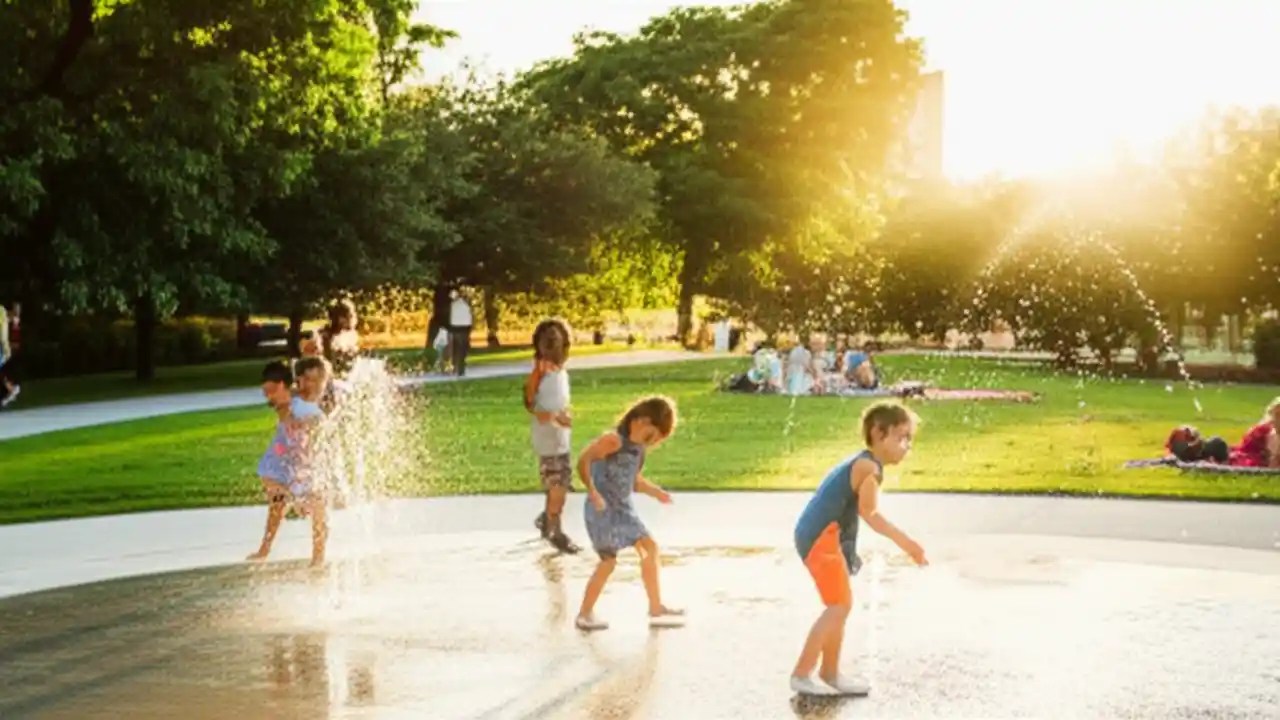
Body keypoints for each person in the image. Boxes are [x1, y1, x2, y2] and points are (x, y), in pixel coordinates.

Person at [790, 401, 928, 697]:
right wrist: (909, 544)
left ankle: (829, 672)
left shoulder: (864, 462)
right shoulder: (869, 468)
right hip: (820, 538)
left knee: (840, 605)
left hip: (820, 536)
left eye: (909, 440)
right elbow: (870, 513)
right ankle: (802, 673)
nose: (906, 446)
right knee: (838, 606)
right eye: (901, 437)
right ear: (879, 433)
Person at [575, 396, 683, 631]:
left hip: (623, 508)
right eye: (649, 436)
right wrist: (592, 491)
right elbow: (583, 461)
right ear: (640, 420)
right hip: (601, 508)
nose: (649, 443)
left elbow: (633, 481)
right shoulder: (613, 441)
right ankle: (584, 614)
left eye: (654, 441)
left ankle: (655, 607)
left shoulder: (638, 451)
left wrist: (656, 492)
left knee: (650, 547)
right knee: (608, 562)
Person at [247, 359, 331, 568]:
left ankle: (318, 557)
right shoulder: (290, 402)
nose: (269, 396)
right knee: (276, 498)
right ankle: (265, 548)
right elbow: (285, 412)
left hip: (300, 459)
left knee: (316, 505)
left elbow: (316, 427)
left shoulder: (308, 409)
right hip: (281, 454)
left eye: (272, 391)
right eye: (266, 392)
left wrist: (305, 426)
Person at [525, 319, 580, 554]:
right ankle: (554, 529)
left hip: (559, 438)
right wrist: (554, 417)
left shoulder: (560, 370)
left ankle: (546, 520)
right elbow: (530, 405)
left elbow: (557, 400)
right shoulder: (540, 369)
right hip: (549, 438)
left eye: (556, 341)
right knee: (558, 485)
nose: (551, 346)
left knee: (558, 483)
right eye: (547, 342)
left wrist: (564, 414)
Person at [1229, 397, 1280, 468]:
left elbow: (1272, 470)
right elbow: (1243, 448)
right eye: (1276, 415)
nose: (1277, 420)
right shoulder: (1261, 431)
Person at [448, 289, 473, 377]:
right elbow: (469, 317)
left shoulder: (453, 305)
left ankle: (456, 367)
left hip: (456, 328)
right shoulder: (465, 304)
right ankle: (460, 367)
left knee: (456, 348)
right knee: (462, 349)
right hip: (464, 328)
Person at [0, 302, 19, 408]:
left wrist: (6, 348)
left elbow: (4, 336)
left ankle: (10, 388)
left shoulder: (2, 313)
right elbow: (3, 336)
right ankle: (11, 388)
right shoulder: (2, 312)